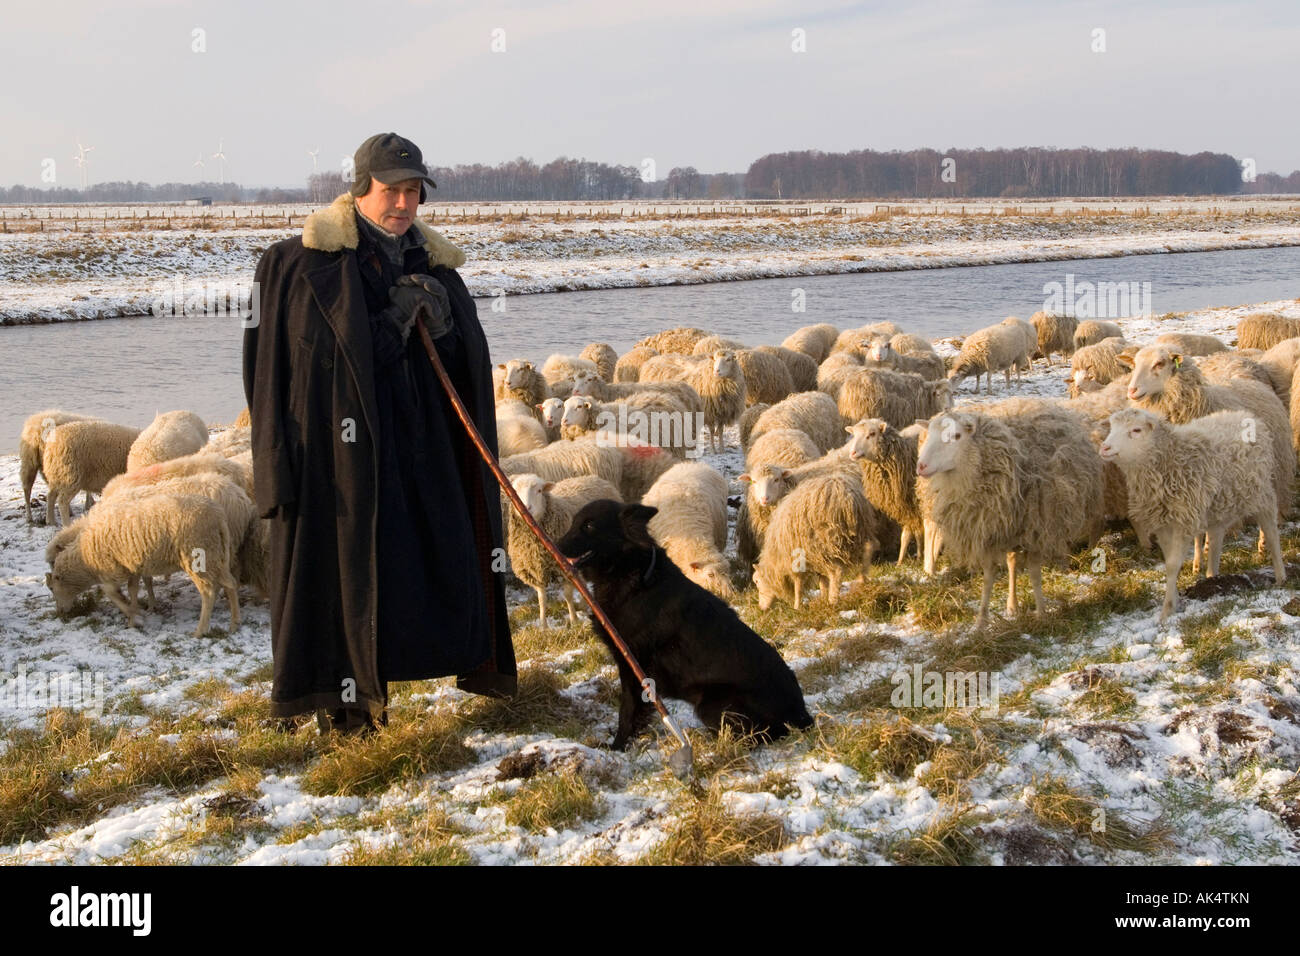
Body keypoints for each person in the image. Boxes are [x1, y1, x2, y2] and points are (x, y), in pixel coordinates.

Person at [243, 132, 516, 734]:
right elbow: (270, 374)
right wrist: (273, 469)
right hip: (334, 459)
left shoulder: (436, 266)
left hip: (421, 451)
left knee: (405, 570)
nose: (403, 204)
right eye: (391, 190)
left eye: (414, 191)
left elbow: (460, 364)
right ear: (361, 189)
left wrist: (442, 325)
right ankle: (345, 715)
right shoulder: (297, 265)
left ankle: (389, 686)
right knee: (341, 576)